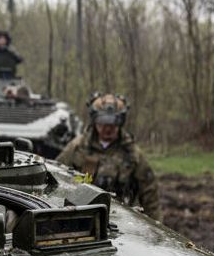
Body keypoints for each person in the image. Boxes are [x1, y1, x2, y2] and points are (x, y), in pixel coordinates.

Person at [56, 93, 161, 221]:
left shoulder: (132, 154)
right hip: (81, 217)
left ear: (121, 122)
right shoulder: (77, 148)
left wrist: (155, 229)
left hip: (122, 221)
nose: (108, 128)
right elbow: (57, 177)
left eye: (113, 123)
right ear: (95, 120)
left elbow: (150, 195)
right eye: (103, 122)